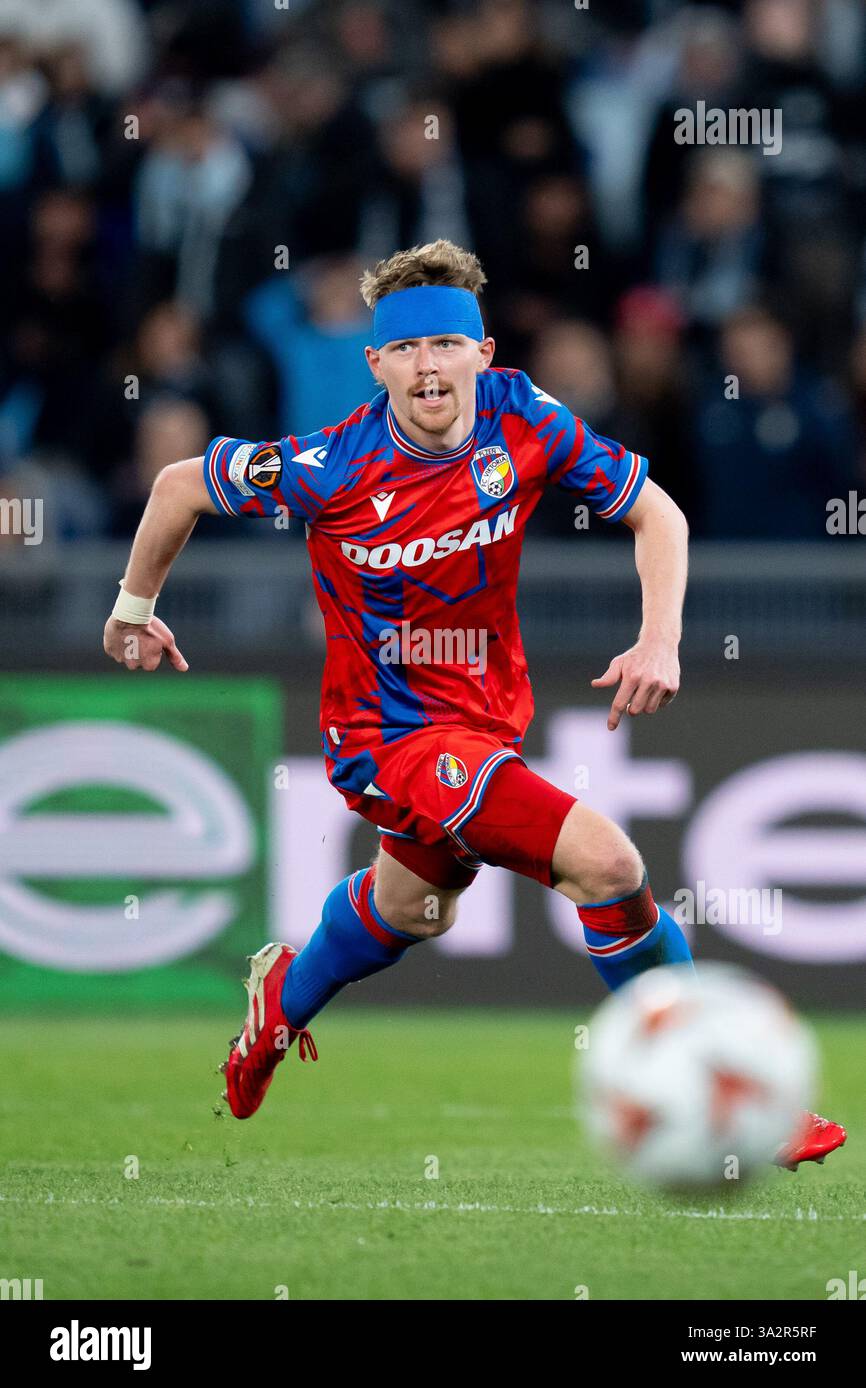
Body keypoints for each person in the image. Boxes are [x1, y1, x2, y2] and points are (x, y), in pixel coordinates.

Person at [103, 238, 844, 1173]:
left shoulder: (524, 417)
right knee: (608, 864)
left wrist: (662, 637)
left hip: (487, 720)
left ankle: (282, 998)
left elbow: (660, 513)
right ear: (375, 365)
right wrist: (134, 610)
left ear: (482, 354)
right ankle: (726, 1092)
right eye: (406, 351)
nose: (429, 367)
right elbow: (177, 485)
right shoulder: (330, 468)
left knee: (415, 909)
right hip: (388, 739)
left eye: (447, 345)